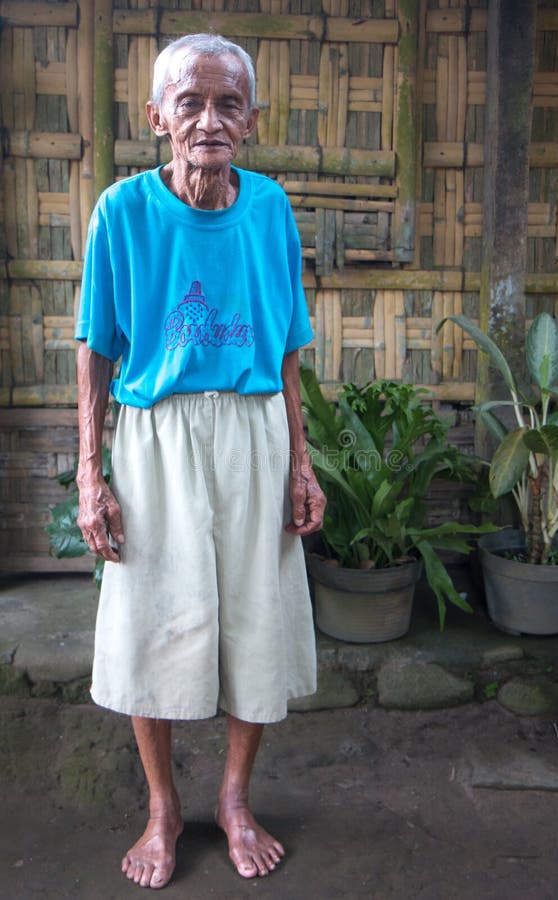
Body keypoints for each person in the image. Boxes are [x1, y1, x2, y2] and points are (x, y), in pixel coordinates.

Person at [75, 33, 326, 890]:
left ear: (251, 121)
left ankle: (233, 796)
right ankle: (160, 809)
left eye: (228, 105)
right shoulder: (122, 213)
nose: (209, 121)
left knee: (253, 623)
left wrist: (301, 461)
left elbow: (289, 346)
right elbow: (97, 349)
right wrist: (89, 472)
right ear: (157, 118)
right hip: (154, 438)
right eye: (190, 103)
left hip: (254, 431)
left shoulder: (271, 209)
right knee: (155, 620)